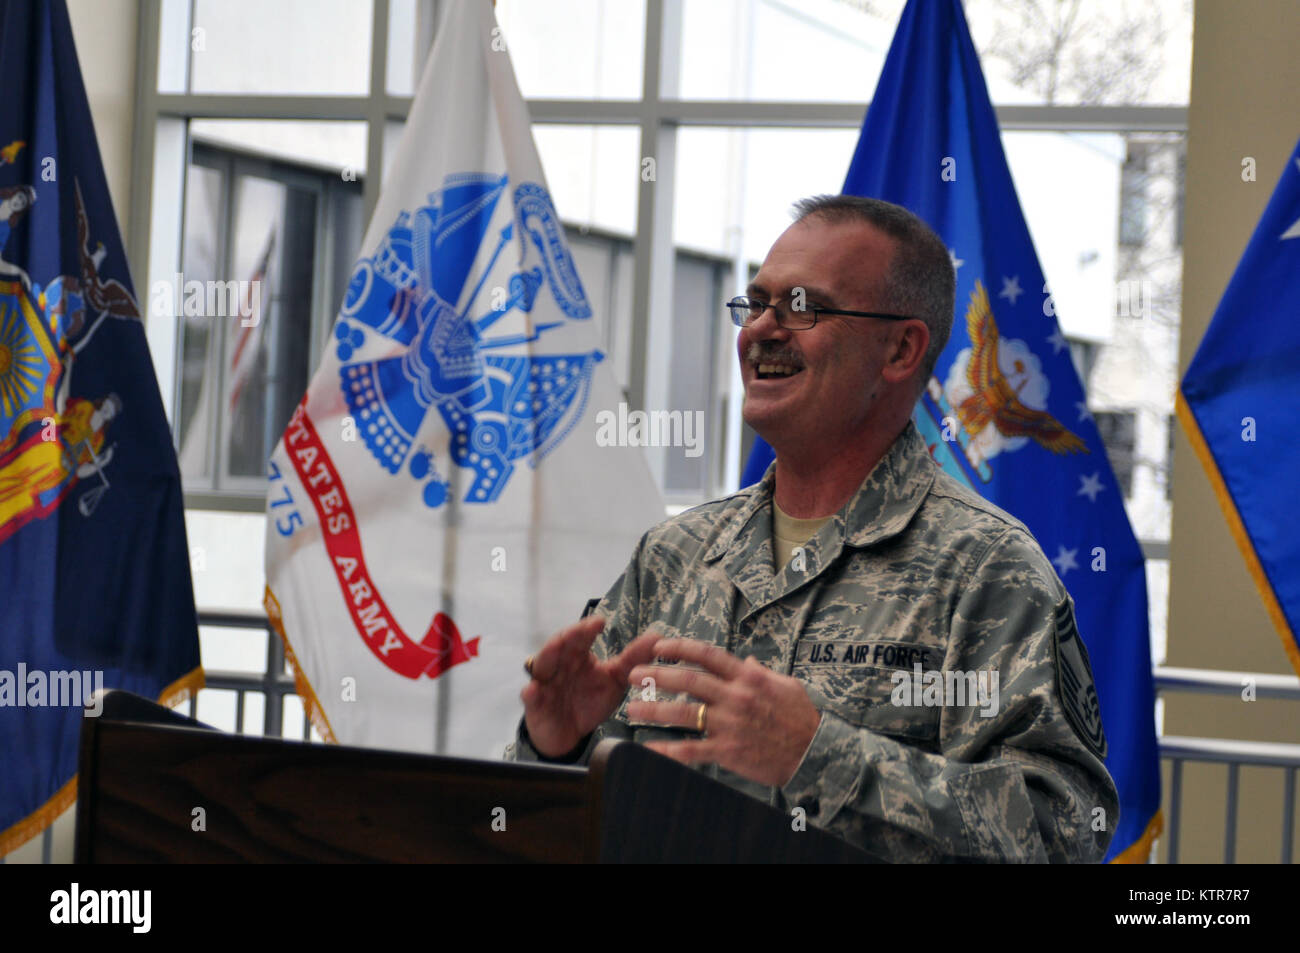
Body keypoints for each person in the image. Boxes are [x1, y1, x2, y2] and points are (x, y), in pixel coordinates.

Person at [505, 194, 1118, 863]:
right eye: (757, 303)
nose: (762, 329)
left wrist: (819, 755)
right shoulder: (675, 555)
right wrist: (556, 747)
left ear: (901, 349)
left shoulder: (988, 569)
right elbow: (553, 821)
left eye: (802, 307)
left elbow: (1067, 833)